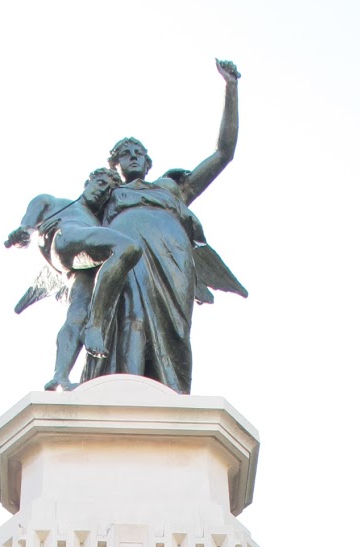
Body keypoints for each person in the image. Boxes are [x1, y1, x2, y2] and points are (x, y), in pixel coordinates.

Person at [89, 59, 245, 393]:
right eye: (124, 154)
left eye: (138, 153)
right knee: (131, 320)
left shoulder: (173, 188)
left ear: (148, 162)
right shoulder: (107, 194)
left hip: (173, 259)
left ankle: (172, 404)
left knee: (175, 331)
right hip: (127, 257)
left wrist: (231, 89)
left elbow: (223, 153)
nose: (132, 157)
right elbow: (70, 223)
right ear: (114, 165)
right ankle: (126, 396)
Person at [6, 169, 142, 390]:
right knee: (129, 247)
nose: (102, 190)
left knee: (78, 312)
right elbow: (26, 229)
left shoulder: (98, 221)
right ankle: (95, 325)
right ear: (87, 182)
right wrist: (24, 234)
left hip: (80, 266)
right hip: (66, 239)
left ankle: (60, 376)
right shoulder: (51, 201)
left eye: (107, 190)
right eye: (100, 183)